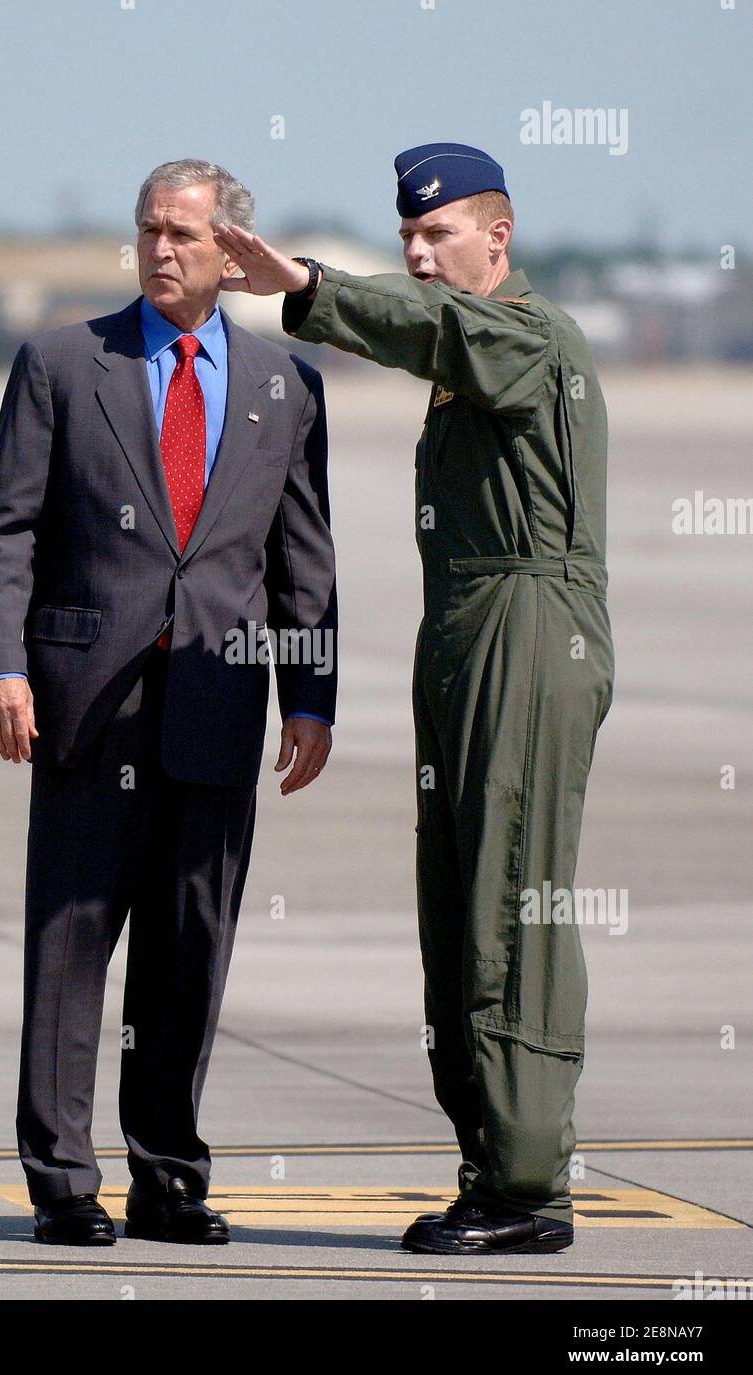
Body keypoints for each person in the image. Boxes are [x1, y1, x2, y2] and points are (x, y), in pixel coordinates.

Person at [214, 141, 614, 1255]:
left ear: (501, 234)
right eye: (408, 241)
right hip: (469, 631)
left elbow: (441, 330)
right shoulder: (473, 349)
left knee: (508, 899)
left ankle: (531, 1187)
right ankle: (494, 1161)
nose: (421, 255)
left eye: (438, 236)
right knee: (457, 901)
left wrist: (310, 288)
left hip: (526, 629)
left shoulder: (527, 335)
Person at [0, 158, 338, 1246]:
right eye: (148, 231)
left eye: (183, 234)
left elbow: (303, 560)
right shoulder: (63, 362)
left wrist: (310, 691)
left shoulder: (285, 385)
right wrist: (0, 665)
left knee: (190, 947)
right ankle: (63, 1180)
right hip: (89, 703)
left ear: (231, 250)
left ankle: (169, 1176)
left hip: (220, 700)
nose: (161, 250)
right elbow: (5, 533)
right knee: (71, 948)